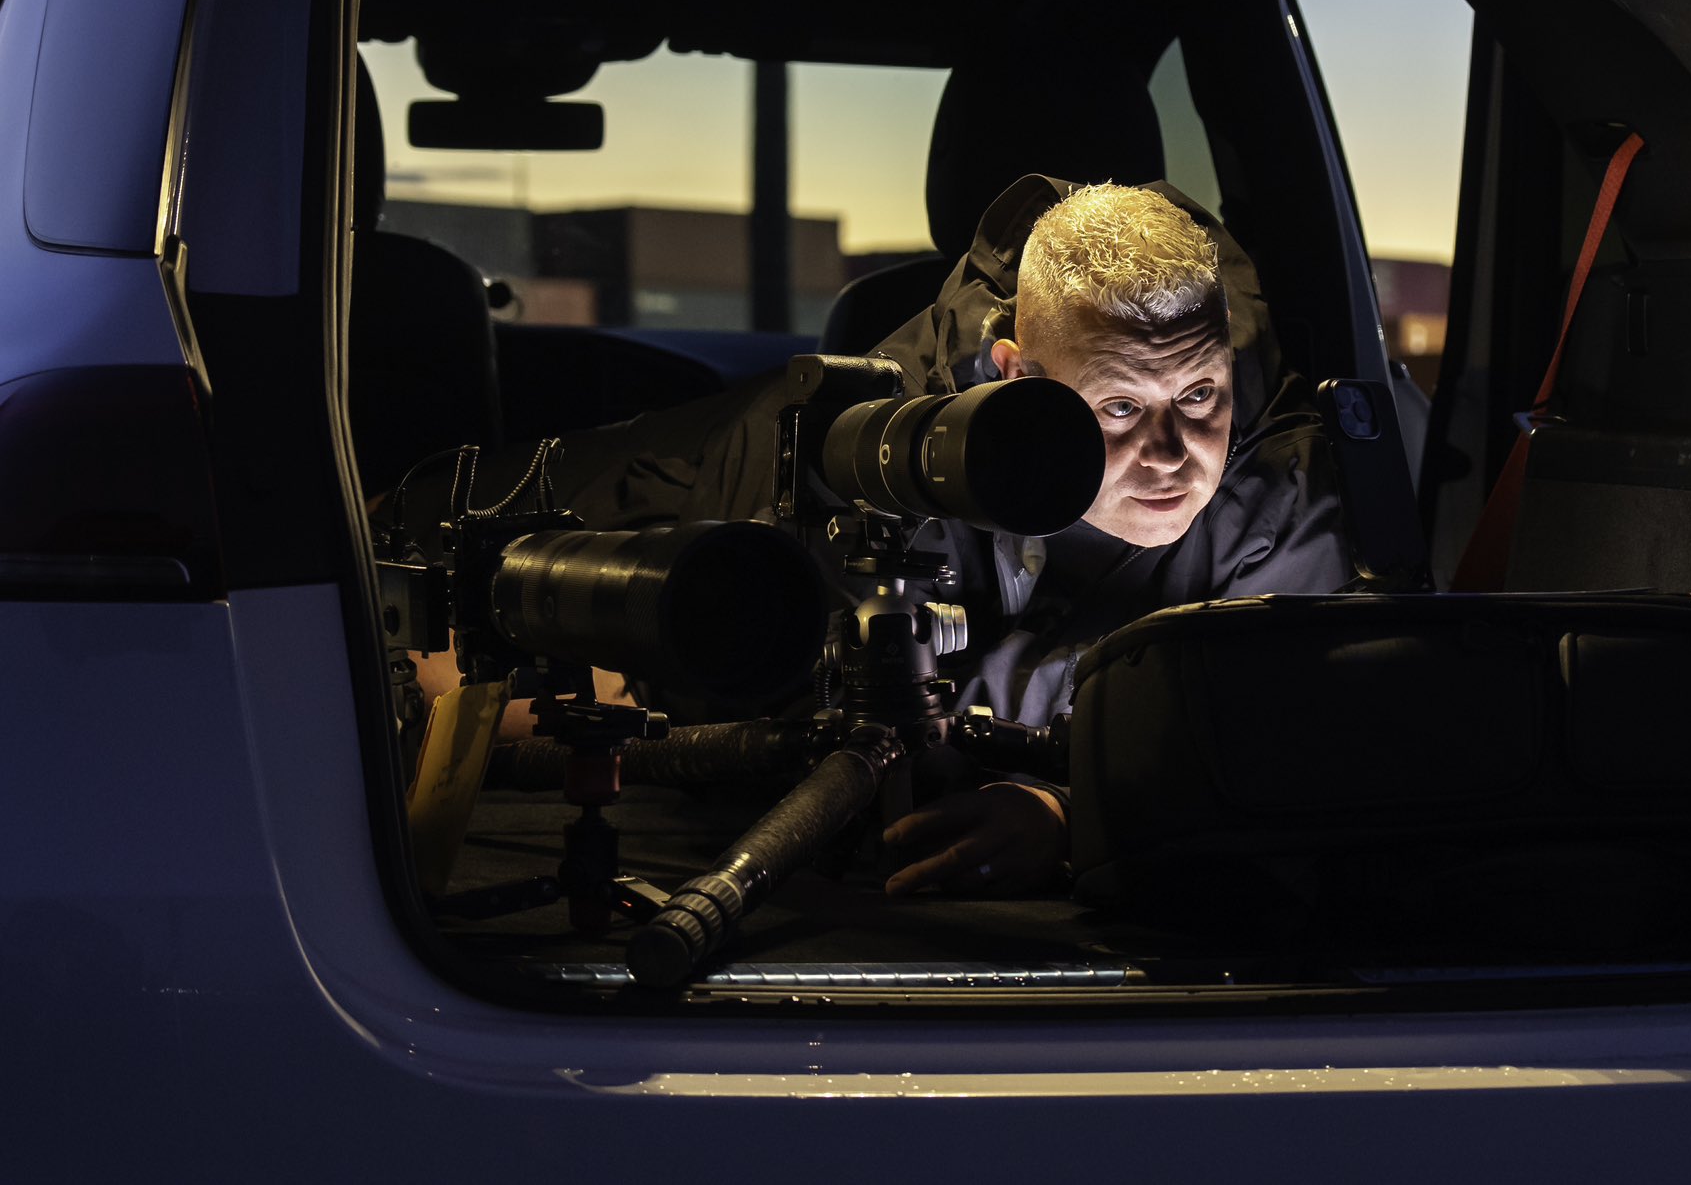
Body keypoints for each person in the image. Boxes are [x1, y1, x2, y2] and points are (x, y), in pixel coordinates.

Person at [428, 176, 1353, 894]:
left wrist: (1069, 813)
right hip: (622, 503)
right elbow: (849, 704)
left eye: (1200, 396)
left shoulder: (1282, 455)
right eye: (1117, 408)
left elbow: (1284, 723)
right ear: (1017, 371)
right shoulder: (891, 437)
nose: (1171, 454)